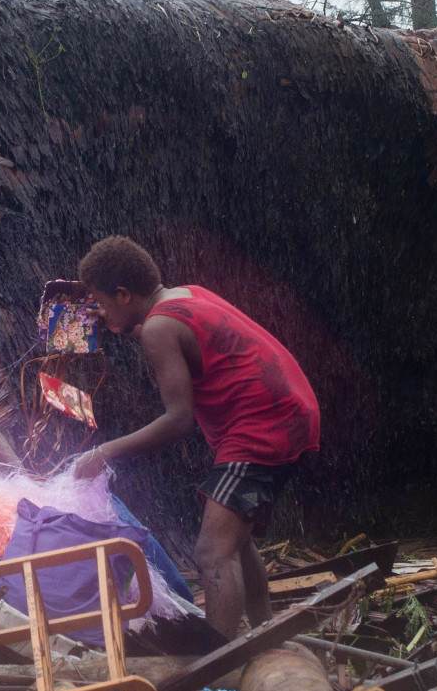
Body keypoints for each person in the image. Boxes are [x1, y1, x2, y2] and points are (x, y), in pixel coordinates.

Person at [68, 236, 318, 640]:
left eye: (102, 302)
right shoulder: (185, 296)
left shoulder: (158, 330)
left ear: (123, 294)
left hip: (264, 425)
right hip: (290, 409)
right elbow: (172, 334)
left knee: (211, 552)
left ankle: (215, 661)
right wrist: (118, 323)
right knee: (235, 541)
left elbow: (179, 419)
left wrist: (104, 452)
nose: (100, 311)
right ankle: (267, 635)